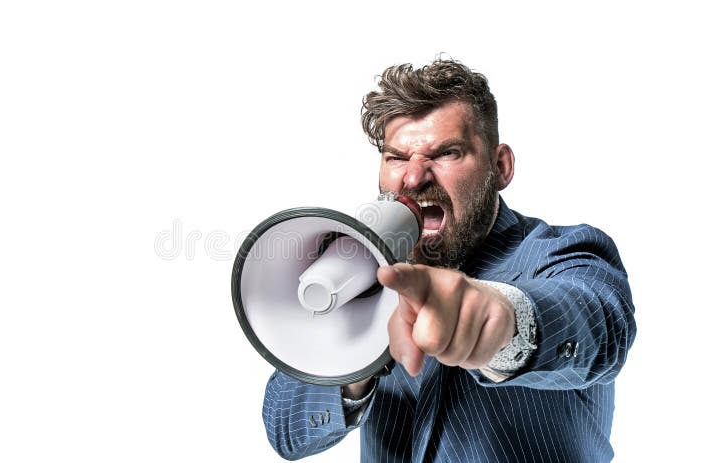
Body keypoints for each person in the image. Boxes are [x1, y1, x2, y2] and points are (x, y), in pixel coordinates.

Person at [261, 57, 636, 462]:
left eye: (446, 154)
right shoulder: (360, 273)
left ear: (500, 167)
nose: (413, 177)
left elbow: (600, 326)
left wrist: (502, 323)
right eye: (397, 158)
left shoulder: (562, 251)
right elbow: (286, 433)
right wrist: (354, 353)